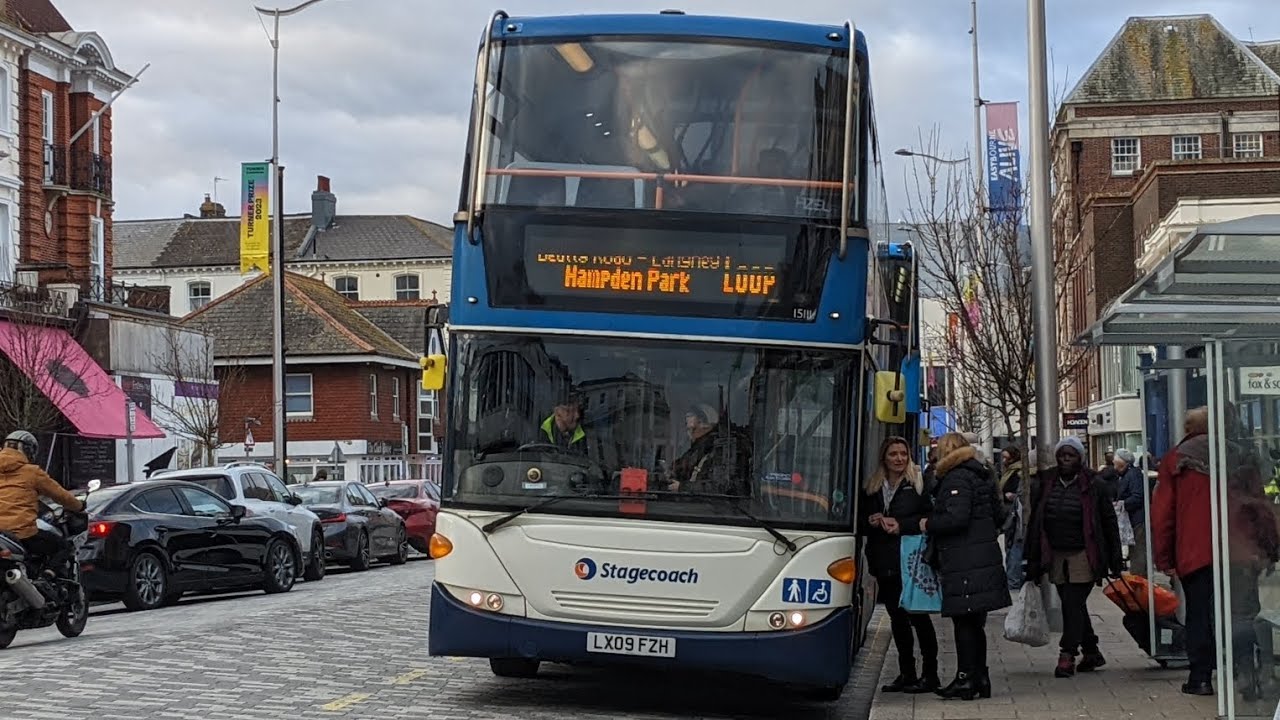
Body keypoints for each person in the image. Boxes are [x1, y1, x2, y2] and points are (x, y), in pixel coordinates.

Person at [920, 432, 1010, 701]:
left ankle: (965, 679)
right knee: (974, 622)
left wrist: (929, 524)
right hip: (980, 556)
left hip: (964, 559)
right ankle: (980, 676)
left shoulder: (956, 477)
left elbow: (956, 518)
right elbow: (999, 515)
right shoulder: (981, 474)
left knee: (964, 623)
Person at [1024, 436, 1123, 678]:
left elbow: (1108, 523)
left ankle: (1067, 654)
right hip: (1056, 552)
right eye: (1062, 455)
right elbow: (1035, 521)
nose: (1065, 460)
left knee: (1072, 602)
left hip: (1084, 553)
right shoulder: (1045, 482)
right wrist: (1032, 559)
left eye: (1071, 456)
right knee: (1072, 604)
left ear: (1080, 458)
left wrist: (1115, 560)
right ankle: (1091, 650)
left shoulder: (1094, 485)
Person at [860, 436, 939, 694]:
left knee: (919, 617)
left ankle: (930, 674)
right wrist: (871, 521)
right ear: (884, 457)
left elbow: (929, 518)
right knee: (897, 618)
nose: (899, 459)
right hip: (883, 560)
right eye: (893, 454)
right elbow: (860, 520)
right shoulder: (872, 487)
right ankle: (907, 672)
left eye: (903, 454)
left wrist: (901, 525)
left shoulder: (916, 484)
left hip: (910, 560)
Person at [0, 430, 85, 569]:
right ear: (28, 450)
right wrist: (79, 506)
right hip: (22, 532)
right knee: (63, 547)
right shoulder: (32, 472)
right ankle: (47, 577)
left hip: (2, 535)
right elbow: (60, 494)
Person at [1114, 448, 1148, 577]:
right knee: (1135, 550)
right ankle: (1138, 576)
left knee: (1138, 550)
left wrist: (1123, 503)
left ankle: (1139, 578)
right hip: (1132, 519)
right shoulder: (1128, 475)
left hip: (1136, 519)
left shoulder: (1133, 475)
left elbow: (1138, 496)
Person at [540, 390, 587, 456]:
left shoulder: (583, 435)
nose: (577, 415)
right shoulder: (539, 435)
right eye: (571, 411)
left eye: (578, 410)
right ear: (558, 411)